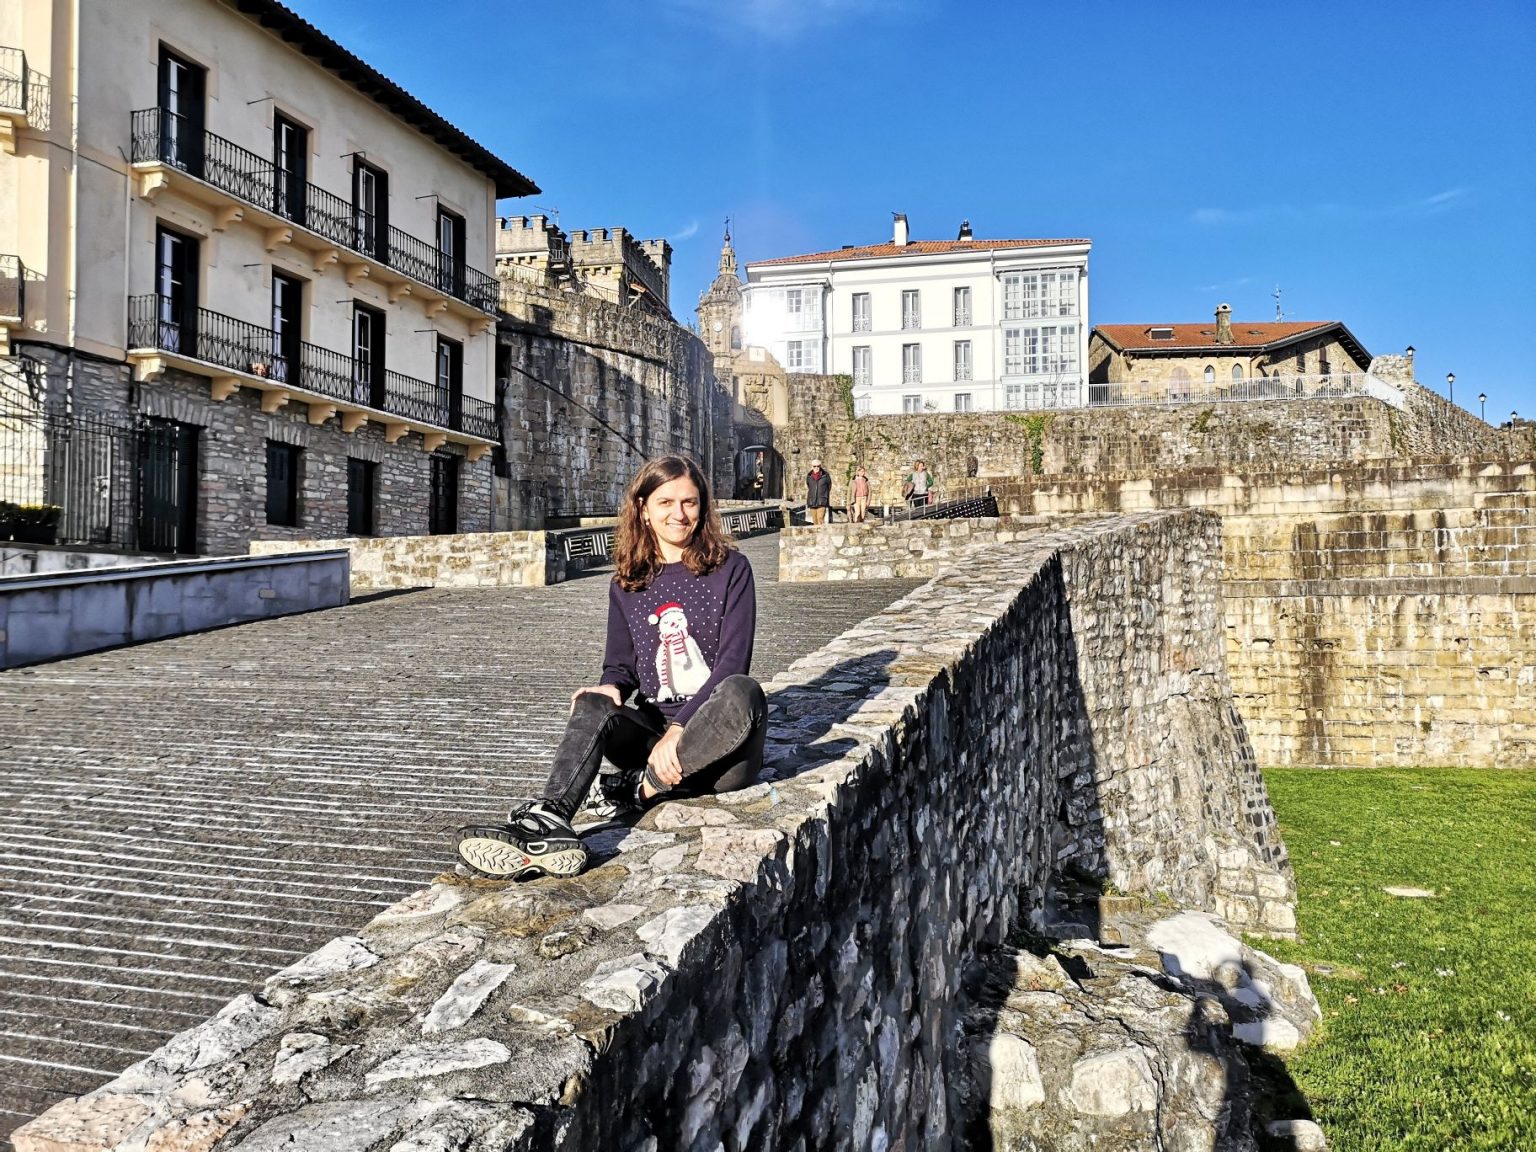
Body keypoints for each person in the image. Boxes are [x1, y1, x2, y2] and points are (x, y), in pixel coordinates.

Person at [454, 455, 766, 881]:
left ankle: (642, 788)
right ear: (643, 508)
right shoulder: (627, 582)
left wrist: (678, 731)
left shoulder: (731, 569)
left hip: (723, 752)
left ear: (703, 506)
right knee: (592, 700)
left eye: (690, 502)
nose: (679, 514)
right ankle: (551, 818)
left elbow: (732, 663)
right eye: (666, 502)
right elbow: (619, 665)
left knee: (743, 690)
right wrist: (607, 691)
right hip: (652, 739)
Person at [805, 458, 831, 525]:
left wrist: (824, 495)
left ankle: (821, 532)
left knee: (820, 519)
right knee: (815, 521)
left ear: (820, 466)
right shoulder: (809, 476)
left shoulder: (826, 475)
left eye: (818, 466)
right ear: (812, 466)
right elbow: (809, 486)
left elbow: (829, 486)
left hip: (822, 501)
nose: (816, 468)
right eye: (814, 466)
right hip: (812, 501)